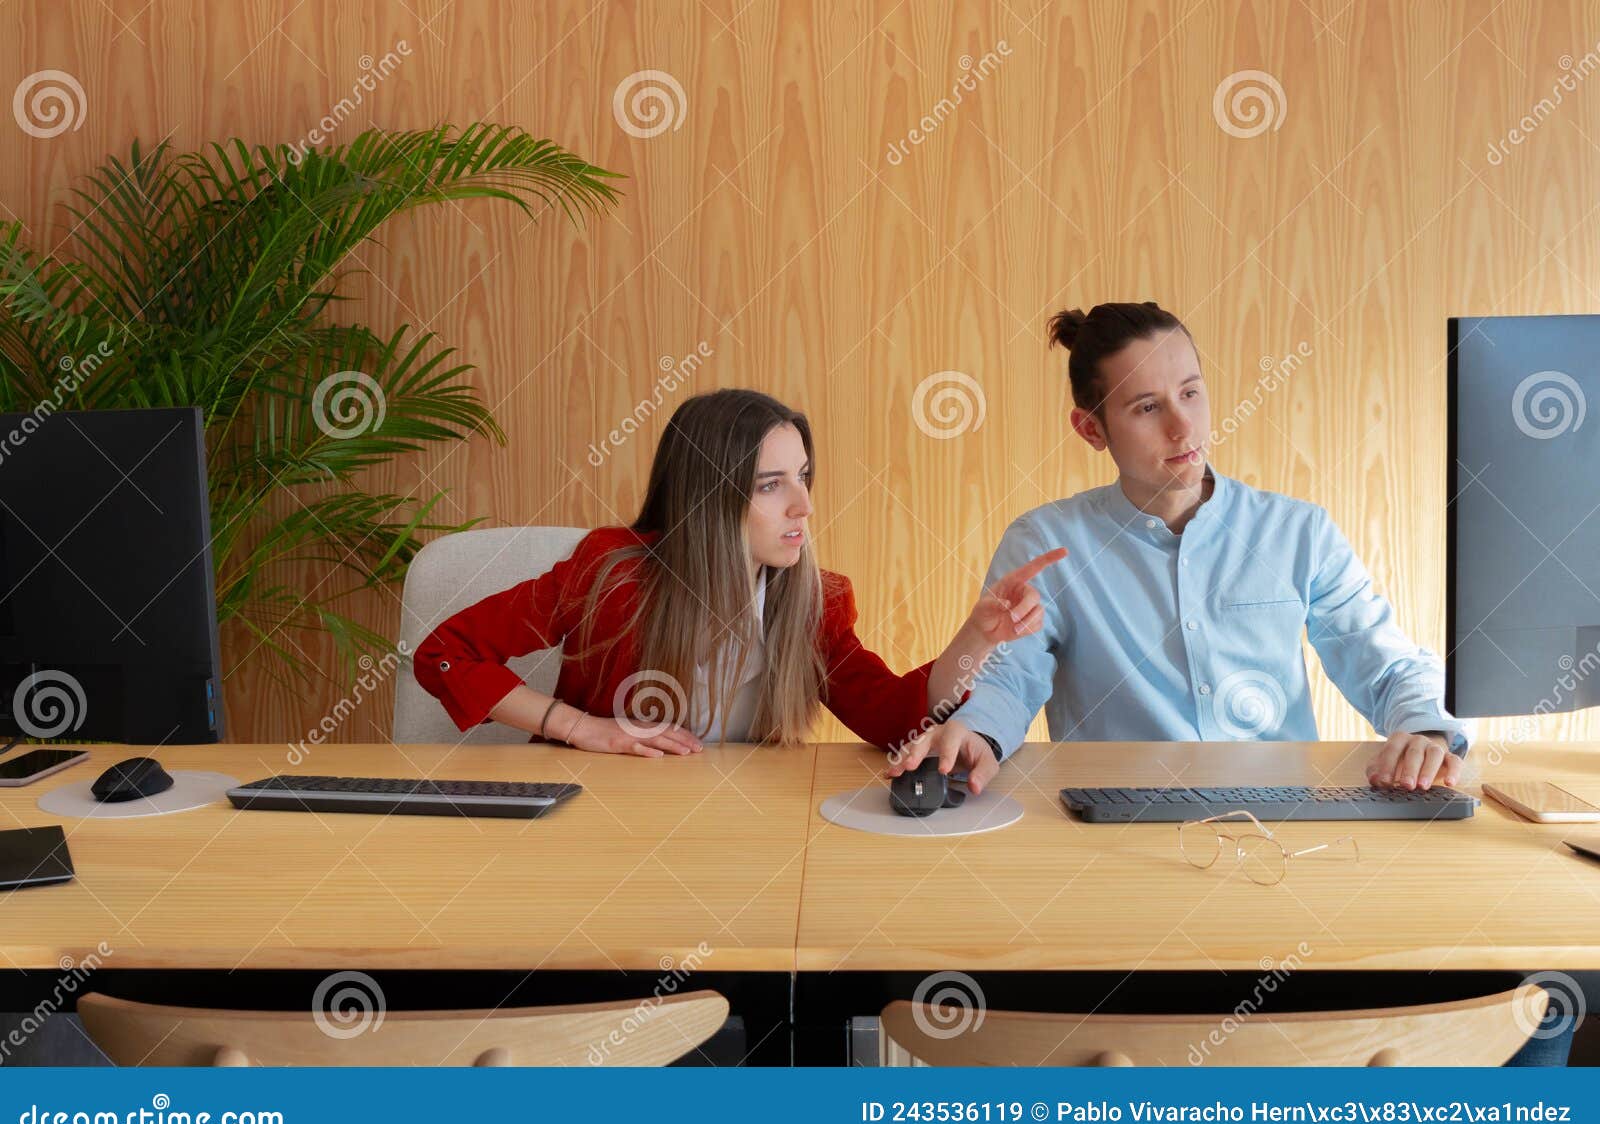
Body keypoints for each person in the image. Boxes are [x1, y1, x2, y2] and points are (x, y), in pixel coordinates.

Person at [892, 301, 1470, 795]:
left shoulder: (1299, 533)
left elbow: (1386, 662)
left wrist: (1425, 729)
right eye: (1147, 407)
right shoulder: (1046, 543)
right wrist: (977, 733)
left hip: (1281, 824)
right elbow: (1003, 683)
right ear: (1091, 430)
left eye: (1190, 393)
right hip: (1115, 828)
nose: (1183, 427)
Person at [414, 388, 1065, 753]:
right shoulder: (607, 574)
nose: (804, 506)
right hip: (603, 830)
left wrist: (975, 639)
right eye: (771, 484)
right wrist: (581, 727)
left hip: (736, 833)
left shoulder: (815, 600)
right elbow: (446, 654)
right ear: (709, 493)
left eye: (804, 478)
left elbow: (897, 719)